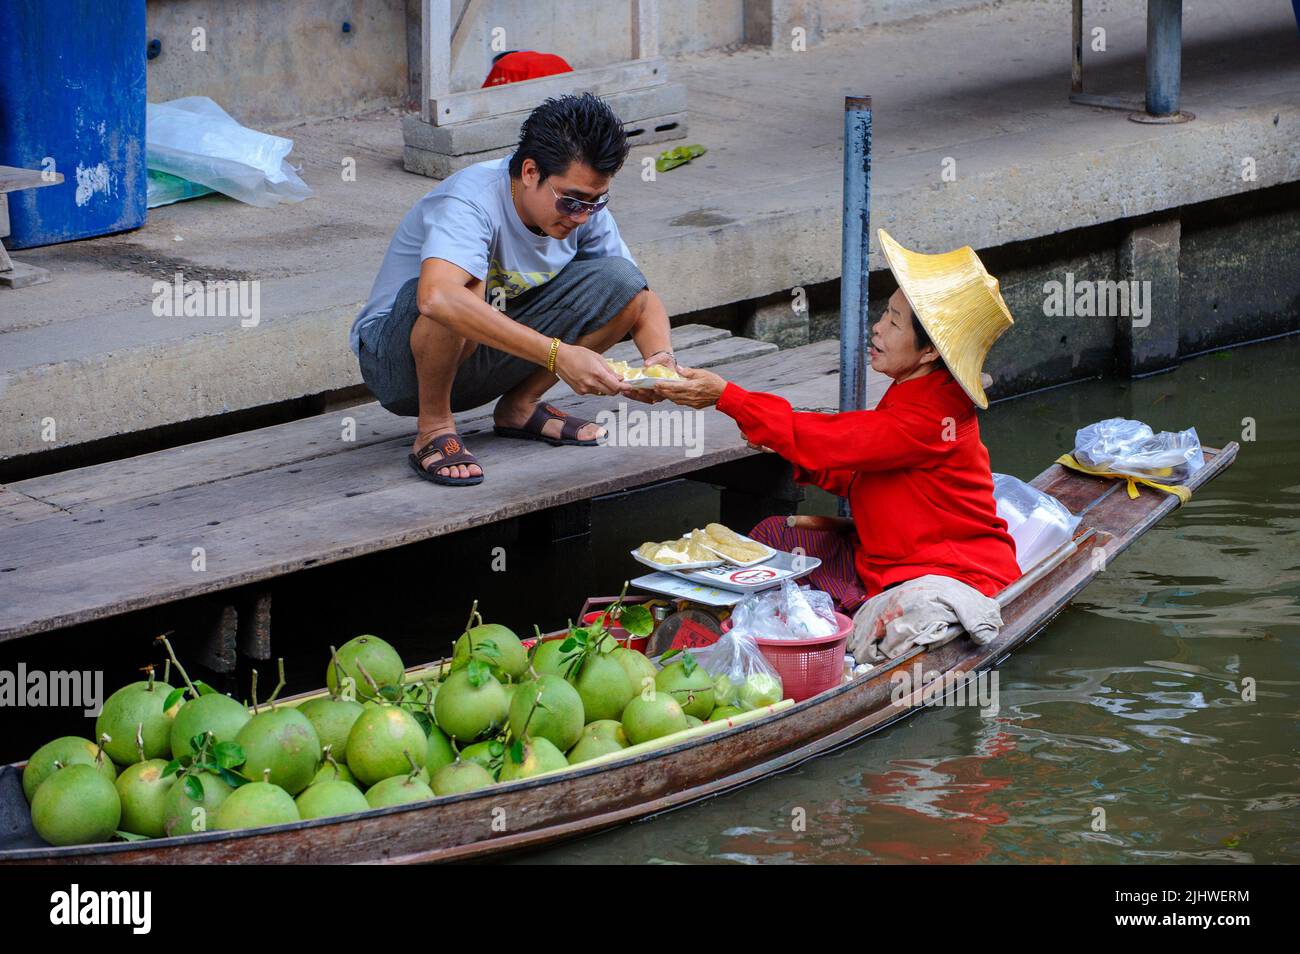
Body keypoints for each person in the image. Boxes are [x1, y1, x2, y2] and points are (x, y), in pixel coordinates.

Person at [652, 228, 1023, 615]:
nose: (878, 327)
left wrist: (727, 397)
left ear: (930, 350)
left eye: (895, 323)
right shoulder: (918, 388)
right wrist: (790, 450)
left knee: (813, 599)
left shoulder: (933, 412)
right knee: (774, 534)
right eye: (885, 313)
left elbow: (838, 441)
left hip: (945, 571)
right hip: (887, 555)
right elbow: (866, 471)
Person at [350, 93, 674, 486]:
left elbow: (639, 298)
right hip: (400, 368)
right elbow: (436, 299)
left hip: (484, 356)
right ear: (530, 172)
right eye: (572, 201)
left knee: (620, 280)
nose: (582, 215)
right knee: (458, 290)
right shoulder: (471, 199)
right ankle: (434, 428)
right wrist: (558, 356)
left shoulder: (583, 210)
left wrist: (660, 364)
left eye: (595, 202)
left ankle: (521, 407)